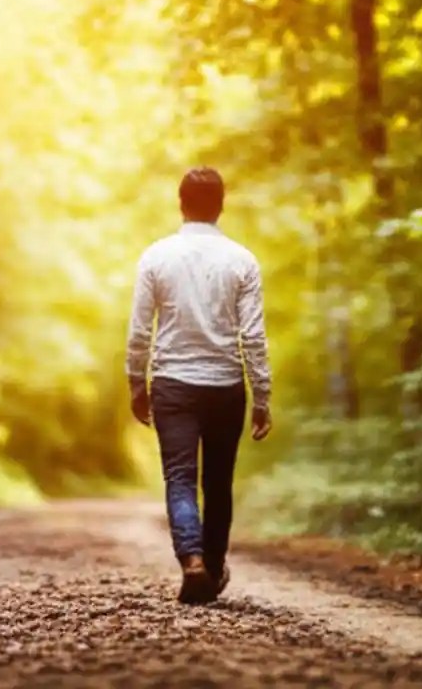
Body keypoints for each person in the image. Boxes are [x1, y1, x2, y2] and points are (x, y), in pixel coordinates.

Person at [126, 167, 273, 605]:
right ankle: (212, 565)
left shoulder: (156, 256)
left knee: (180, 478)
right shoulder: (242, 260)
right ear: (220, 205)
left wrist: (137, 381)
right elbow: (253, 336)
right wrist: (262, 396)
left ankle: (192, 562)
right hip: (226, 385)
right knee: (219, 482)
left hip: (173, 384)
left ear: (181, 203)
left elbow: (139, 330)